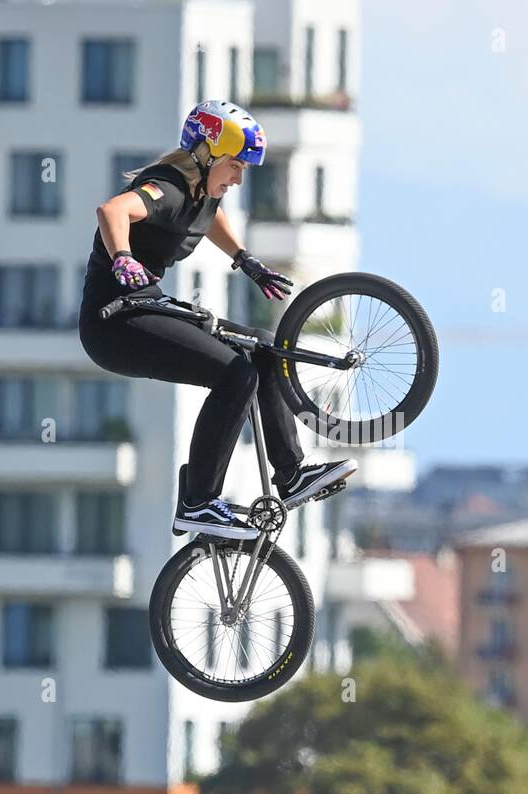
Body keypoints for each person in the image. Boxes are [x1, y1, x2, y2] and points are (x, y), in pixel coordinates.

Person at [79, 100, 356, 541]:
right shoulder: (167, 189)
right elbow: (111, 211)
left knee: (265, 347)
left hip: (145, 308)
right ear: (207, 155)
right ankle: (198, 503)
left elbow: (210, 220)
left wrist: (246, 261)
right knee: (234, 374)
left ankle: (291, 475)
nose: (240, 177)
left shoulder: (202, 194)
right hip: (114, 323)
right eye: (235, 166)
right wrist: (123, 258)